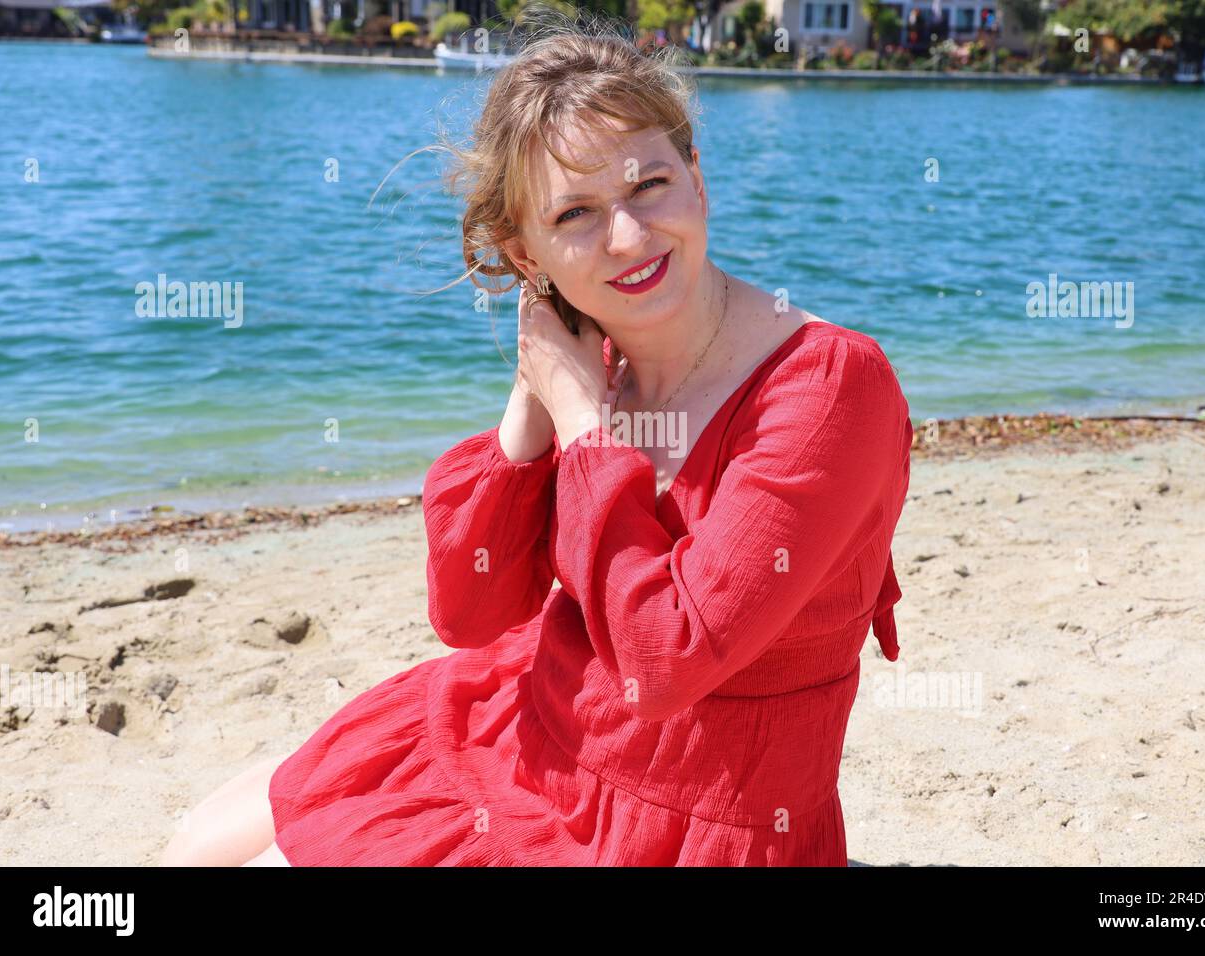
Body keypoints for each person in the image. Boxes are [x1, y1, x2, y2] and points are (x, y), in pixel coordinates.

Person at [160, 4, 912, 868]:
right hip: (533, 724)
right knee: (201, 841)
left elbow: (664, 659)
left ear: (697, 176)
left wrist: (584, 424)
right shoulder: (596, 362)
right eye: (574, 215)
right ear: (526, 257)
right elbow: (470, 612)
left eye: (649, 184)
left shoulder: (830, 388)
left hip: (680, 822)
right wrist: (533, 397)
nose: (628, 236)